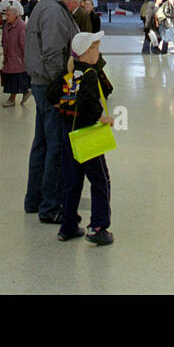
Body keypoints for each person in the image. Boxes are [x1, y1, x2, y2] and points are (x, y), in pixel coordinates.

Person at [23, 0, 78, 223]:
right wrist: (62, 84)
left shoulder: (42, 7)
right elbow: (53, 52)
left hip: (40, 83)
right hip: (50, 85)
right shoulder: (54, 10)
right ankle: (50, 207)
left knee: (42, 144)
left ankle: (34, 200)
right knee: (56, 147)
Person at [56, 31, 114, 245]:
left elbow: (54, 95)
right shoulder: (90, 74)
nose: (99, 52)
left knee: (71, 181)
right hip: (87, 134)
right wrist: (102, 118)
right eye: (96, 48)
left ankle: (68, 225)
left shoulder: (69, 73)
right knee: (100, 179)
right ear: (87, 53)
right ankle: (98, 226)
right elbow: (89, 103)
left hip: (68, 133)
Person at [0, 4, 29, 106]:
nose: (6, 17)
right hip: (9, 56)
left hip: (17, 58)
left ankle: (12, 99)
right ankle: (25, 92)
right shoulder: (7, 25)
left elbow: (24, 44)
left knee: (14, 78)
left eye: (8, 15)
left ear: (15, 15)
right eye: (6, 15)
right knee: (13, 78)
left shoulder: (21, 27)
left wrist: (24, 59)